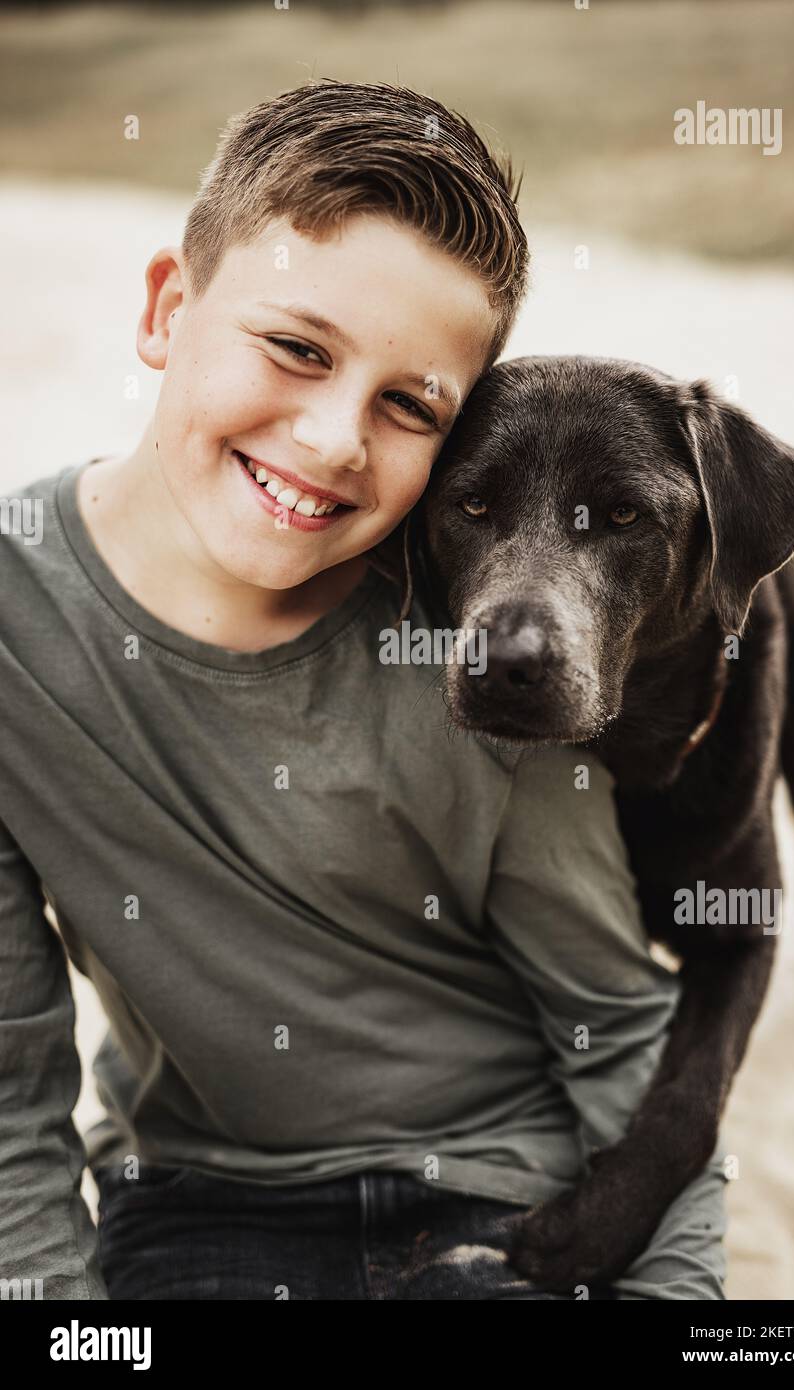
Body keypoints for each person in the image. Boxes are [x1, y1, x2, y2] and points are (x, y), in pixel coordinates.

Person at [0, 80, 728, 1300]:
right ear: (168, 308)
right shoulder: (18, 633)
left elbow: (622, 1039)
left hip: (509, 1196)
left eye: (408, 407)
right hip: (203, 1208)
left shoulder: (472, 647)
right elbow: (12, 1109)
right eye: (295, 347)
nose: (338, 440)